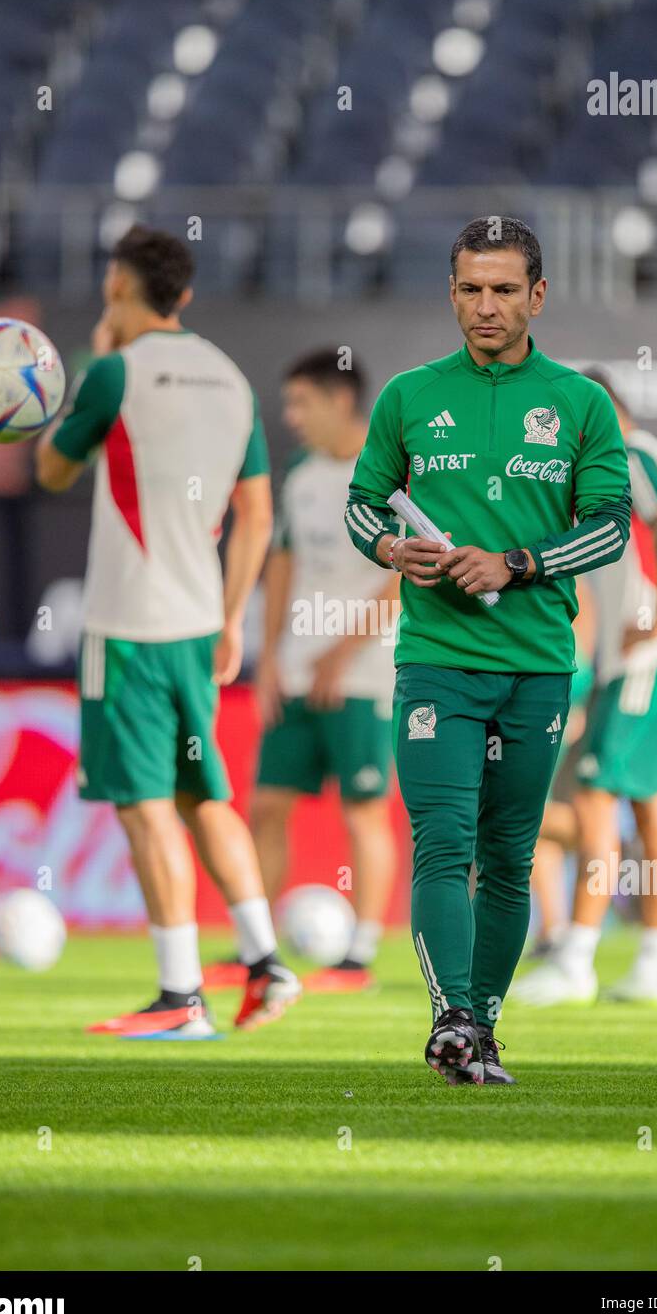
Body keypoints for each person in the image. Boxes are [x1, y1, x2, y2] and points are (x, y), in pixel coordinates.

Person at [344, 216, 631, 1086]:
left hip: (539, 666)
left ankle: (485, 1030)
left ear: (537, 296)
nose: (486, 306)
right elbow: (363, 507)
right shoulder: (407, 395)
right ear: (452, 293)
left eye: (504, 289)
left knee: (509, 858)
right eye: (470, 288)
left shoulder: (581, 402)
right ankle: (452, 1019)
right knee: (443, 842)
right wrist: (395, 550)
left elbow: (611, 529)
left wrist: (518, 561)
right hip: (435, 660)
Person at [35, 224, 301, 1038]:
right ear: (183, 295)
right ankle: (265, 958)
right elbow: (257, 513)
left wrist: (85, 371)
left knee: (145, 805)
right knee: (203, 796)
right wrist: (230, 618)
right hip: (195, 627)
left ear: (118, 286)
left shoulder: (114, 372)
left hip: (126, 625)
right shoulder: (230, 379)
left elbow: (51, 470)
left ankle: (181, 997)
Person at [511, 370, 657, 1010]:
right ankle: (655, 967)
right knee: (656, 808)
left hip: (647, 662)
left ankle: (576, 957)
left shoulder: (630, 457)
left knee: (596, 798)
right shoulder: (656, 461)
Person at [251, 350, 400, 988]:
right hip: (296, 669)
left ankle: (358, 955)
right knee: (266, 805)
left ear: (341, 401)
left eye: (300, 403)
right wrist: (268, 656)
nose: (290, 418)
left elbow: (411, 572)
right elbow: (282, 561)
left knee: (364, 809)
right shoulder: (304, 475)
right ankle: (255, 949)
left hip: (368, 674)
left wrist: (343, 651)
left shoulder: (397, 473)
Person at [528, 580, 596, 957]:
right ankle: (553, 927)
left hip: (549, 685)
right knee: (532, 821)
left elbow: (581, 605)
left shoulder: (552, 545)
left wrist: (577, 678)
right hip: (544, 681)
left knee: (515, 809)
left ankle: (607, 839)